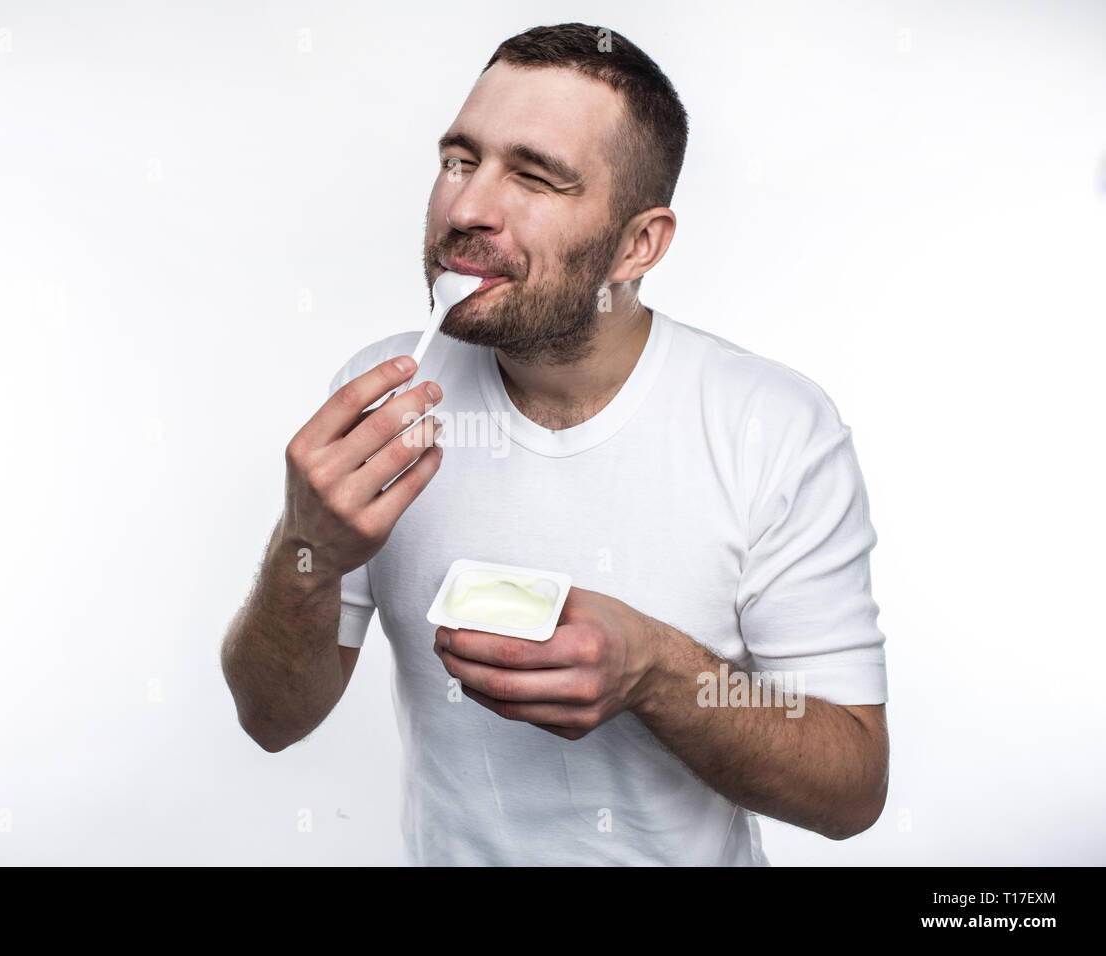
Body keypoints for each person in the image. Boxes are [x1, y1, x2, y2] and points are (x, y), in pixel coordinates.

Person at [221, 22, 889, 865]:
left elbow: (854, 785)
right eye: (460, 161)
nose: (465, 209)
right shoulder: (381, 393)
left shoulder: (773, 429)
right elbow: (271, 719)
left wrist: (652, 670)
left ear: (638, 245)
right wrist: (306, 546)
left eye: (534, 178)